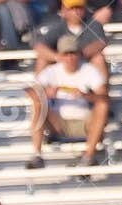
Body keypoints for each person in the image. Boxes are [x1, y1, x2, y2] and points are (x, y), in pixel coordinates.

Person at [27, 33, 109, 171]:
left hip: (85, 122)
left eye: (73, 53)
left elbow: (104, 97)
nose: (70, 58)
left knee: (103, 106)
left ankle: (88, 157)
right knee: (38, 103)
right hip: (59, 123)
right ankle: (37, 154)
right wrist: (46, 93)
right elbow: (30, 91)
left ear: (79, 54)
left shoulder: (88, 70)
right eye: (66, 54)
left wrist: (86, 96)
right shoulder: (51, 71)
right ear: (60, 56)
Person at [33, 0, 107, 76]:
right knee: (42, 60)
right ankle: (39, 87)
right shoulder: (57, 26)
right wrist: (58, 57)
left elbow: (100, 43)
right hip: (61, 63)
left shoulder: (93, 24)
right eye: (72, 8)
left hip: (84, 62)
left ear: (84, 9)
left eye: (79, 8)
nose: (76, 11)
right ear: (64, 10)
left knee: (98, 58)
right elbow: (39, 46)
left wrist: (78, 56)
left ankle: (102, 87)